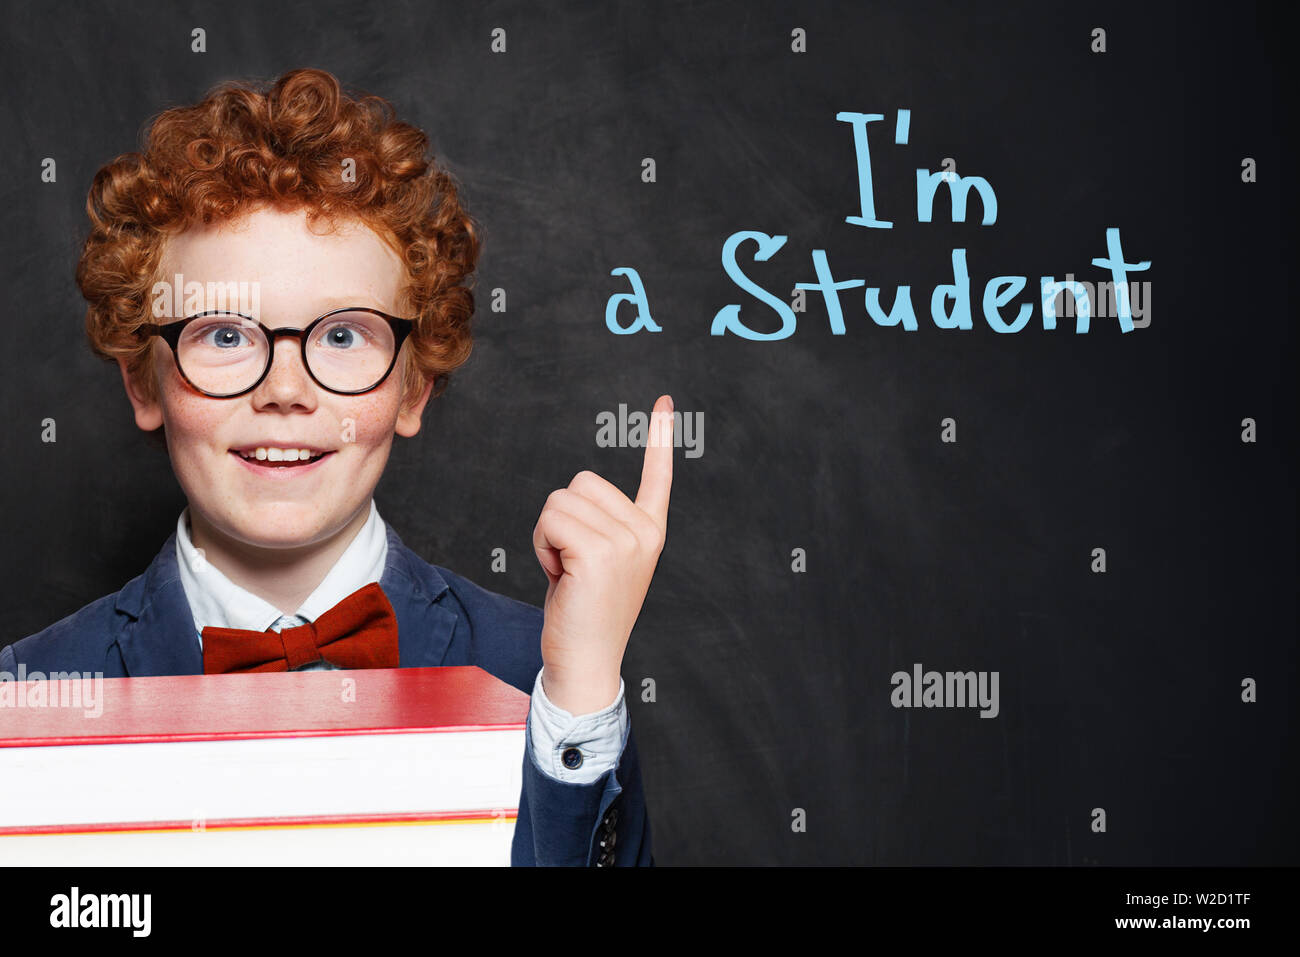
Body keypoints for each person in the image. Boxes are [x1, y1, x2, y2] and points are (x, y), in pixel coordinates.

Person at [0, 67, 672, 867]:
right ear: (145, 380)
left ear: (414, 388)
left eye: (344, 336)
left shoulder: (552, 677)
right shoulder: (29, 693)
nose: (286, 390)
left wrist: (580, 697)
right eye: (223, 334)